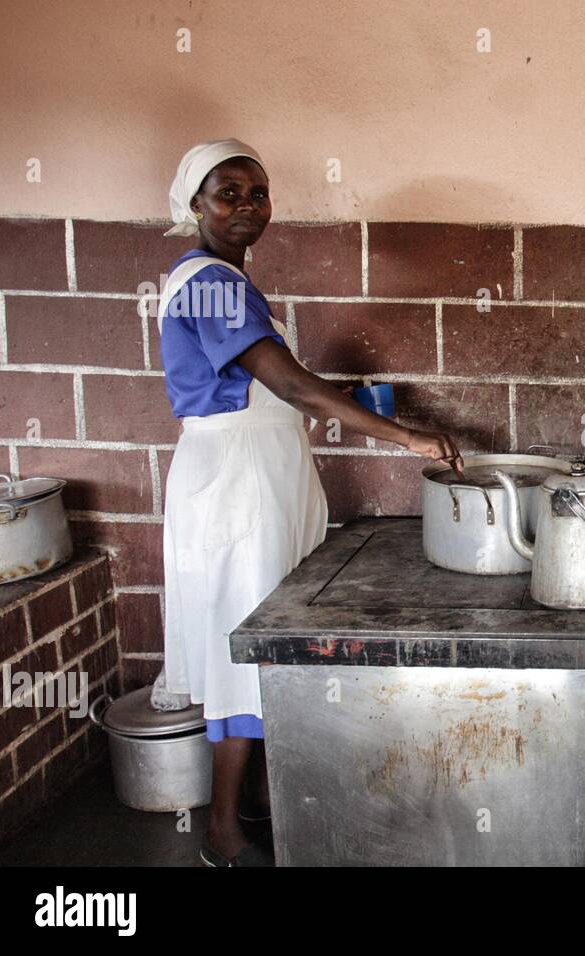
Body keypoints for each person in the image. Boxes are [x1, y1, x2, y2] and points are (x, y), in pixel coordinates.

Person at [157, 139, 463, 866]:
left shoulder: (227, 282)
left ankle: (261, 800)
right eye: (227, 192)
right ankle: (224, 830)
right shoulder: (208, 283)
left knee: (265, 626)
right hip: (236, 482)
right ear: (194, 203)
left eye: (258, 193)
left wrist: (349, 400)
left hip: (261, 469)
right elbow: (291, 386)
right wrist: (405, 437)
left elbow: (279, 385)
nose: (246, 206)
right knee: (243, 636)